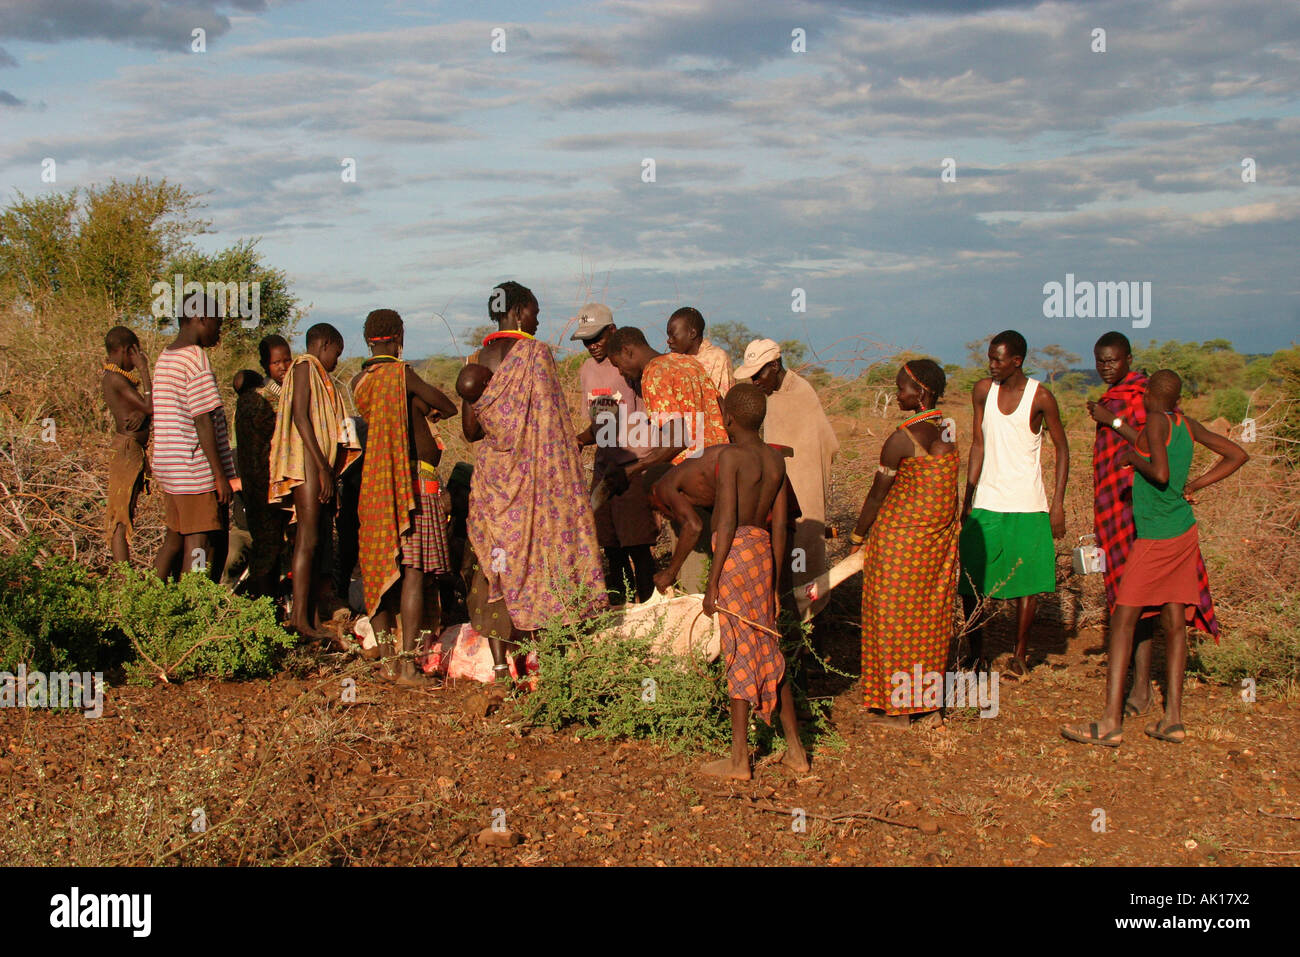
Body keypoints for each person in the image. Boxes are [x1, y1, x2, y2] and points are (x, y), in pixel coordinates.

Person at [1063, 370, 1247, 746]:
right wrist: (1193, 485)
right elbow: (1237, 453)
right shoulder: (1182, 423)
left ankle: (1110, 723)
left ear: (1147, 395)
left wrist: (1132, 458)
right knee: (1175, 622)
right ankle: (1172, 720)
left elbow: (1158, 471)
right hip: (1183, 531)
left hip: (1156, 538)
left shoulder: (1155, 421)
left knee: (1122, 620)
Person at [460, 282, 607, 683]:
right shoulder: (535, 355)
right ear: (520, 311)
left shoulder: (477, 359)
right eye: (536, 312)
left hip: (494, 481)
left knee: (498, 566)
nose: (539, 320)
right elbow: (553, 429)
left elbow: (470, 431)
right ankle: (546, 668)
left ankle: (499, 669)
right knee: (542, 564)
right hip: (538, 483)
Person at [700, 384, 808, 780]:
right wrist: (776, 583)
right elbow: (780, 526)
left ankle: (739, 759)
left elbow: (726, 520)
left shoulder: (730, 458)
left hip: (733, 560)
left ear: (728, 419)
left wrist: (712, 583)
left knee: (740, 654)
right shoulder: (775, 460)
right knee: (767, 646)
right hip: (762, 558)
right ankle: (796, 749)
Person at [352, 309, 457, 685]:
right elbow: (448, 406)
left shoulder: (359, 381)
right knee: (412, 572)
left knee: (381, 570)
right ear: (399, 336)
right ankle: (408, 666)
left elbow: (387, 415)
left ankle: (385, 658)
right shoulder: (401, 374)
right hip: (410, 486)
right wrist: (424, 404)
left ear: (368, 339)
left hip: (375, 486)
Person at [851, 360, 959, 726]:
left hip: (900, 546)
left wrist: (856, 536)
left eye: (901, 389)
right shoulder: (947, 432)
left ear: (921, 393)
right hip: (936, 546)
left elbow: (877, 496)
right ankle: (928, 705)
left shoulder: (902, 438)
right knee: (929, 620)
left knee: (892, 622)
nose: (897, 395)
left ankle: (899, 711)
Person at [959, 330, 1068, 677]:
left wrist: (1058, 505)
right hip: (988, 500)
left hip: (1027, 503)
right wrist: (967, 498)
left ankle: (1019, 657)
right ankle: (975, 653)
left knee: (1027, 583)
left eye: (997, 359)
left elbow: (1063, 449)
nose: (991, 365)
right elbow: (978, 444)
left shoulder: (1041, 397)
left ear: (1016, 361)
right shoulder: (982, 392)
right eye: (989, 358)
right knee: (972, 580)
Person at [606, 325, 728, 592]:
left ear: (628, 351)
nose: (621, 373)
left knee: (696, 563)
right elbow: (722, 410)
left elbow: (677, 439)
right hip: (724, 469)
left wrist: (632, 471)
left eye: (618, 365)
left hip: (693, 481)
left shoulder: (653, 375)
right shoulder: (688, 363)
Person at [268, 323, 361, 641]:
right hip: (307, 466)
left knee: (315, 540)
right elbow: (300, 417)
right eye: (337, 352)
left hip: (317, 467)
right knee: (307, 540)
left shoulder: (320, 375)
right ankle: (299, 619)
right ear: (325, 344)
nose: (337, 359)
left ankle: (308, 616)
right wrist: (322, 468)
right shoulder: (306, 367)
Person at [739, 338, 839, 619]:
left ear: (775, 365)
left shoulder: (799, 394)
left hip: (802, 488)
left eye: (759, 373)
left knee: (805, 554)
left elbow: (815, 448)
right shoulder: (771, 396)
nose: (755, 381)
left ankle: (812, 634)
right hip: (783, 488)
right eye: (751, 375)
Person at [572, 303, 658, 604]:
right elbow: (598, 422)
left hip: (633, 464)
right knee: (610, 544)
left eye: (597, 337)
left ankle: (650, 606)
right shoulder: (587, 371)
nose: (592, 346)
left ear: (612, 330)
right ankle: (620, 608)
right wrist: (578, 440)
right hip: (604, 466)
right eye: (586, 340)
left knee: (637, 543)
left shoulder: (628, 364)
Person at [151, 293, 236, 582]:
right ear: (201, 319)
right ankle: (191, 609)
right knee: (198, 543)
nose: (219, 332)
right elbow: (203, 419)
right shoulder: (195, 357)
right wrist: (219, 475)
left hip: (170, 467)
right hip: (193, 469)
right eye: (217, 323)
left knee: (174, 538)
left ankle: (149, 600)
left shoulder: (167, 355)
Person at [235, 335, 291, 599]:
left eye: (287, 360)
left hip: (266, 484)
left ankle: (265, 605)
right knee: (267, 549)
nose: (283, 366)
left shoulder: (279, 394)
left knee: (273, 547)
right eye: (276, 362)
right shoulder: (262, 398)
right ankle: (261, 608)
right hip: (264, 485)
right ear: (264, 365)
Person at [101, 326, 152, 564]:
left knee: (126, 511)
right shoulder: (115, 378)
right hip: (126, 449)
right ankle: (125, 577)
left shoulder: (117, 378)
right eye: (135, 352)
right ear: (125, 350)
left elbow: (145, 409)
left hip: (130, 449)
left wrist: (143, 414)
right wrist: (144, 370)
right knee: (121, 516)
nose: (138, 357)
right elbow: (150, 405)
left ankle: (126, 575)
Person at [666, 306, 734, 397]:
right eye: (668, 336)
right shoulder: (671, 361)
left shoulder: (717, 358)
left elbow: (725, 399)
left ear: (692, 334)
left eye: (673, 336)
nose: (669, 341)